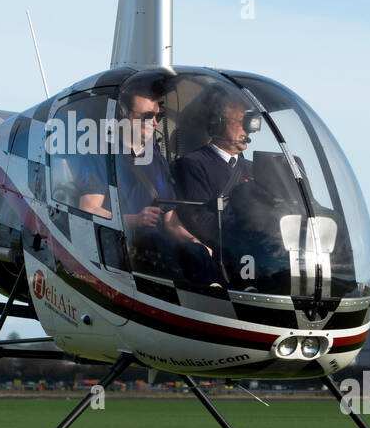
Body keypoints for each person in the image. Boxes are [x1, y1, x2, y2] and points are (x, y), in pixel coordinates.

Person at [80, 79, 216, 283]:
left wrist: (197, 244)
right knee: (156, 242)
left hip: (160, 250)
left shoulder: (156, 158)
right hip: (123, 249)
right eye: (147, 116)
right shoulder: (102, 154)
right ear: (123, 117)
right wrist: (135, 220)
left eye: (158, 116)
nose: (155, 122)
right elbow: (88, 209)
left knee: (197, 254)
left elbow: (170, 222)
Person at [175, 87, 256, 254]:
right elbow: (198, 219)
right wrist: (247, 232)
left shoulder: (254, 169)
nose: (247, 130)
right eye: (241, 122)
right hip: (223, 257)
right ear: (218, 123)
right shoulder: (193, 164)